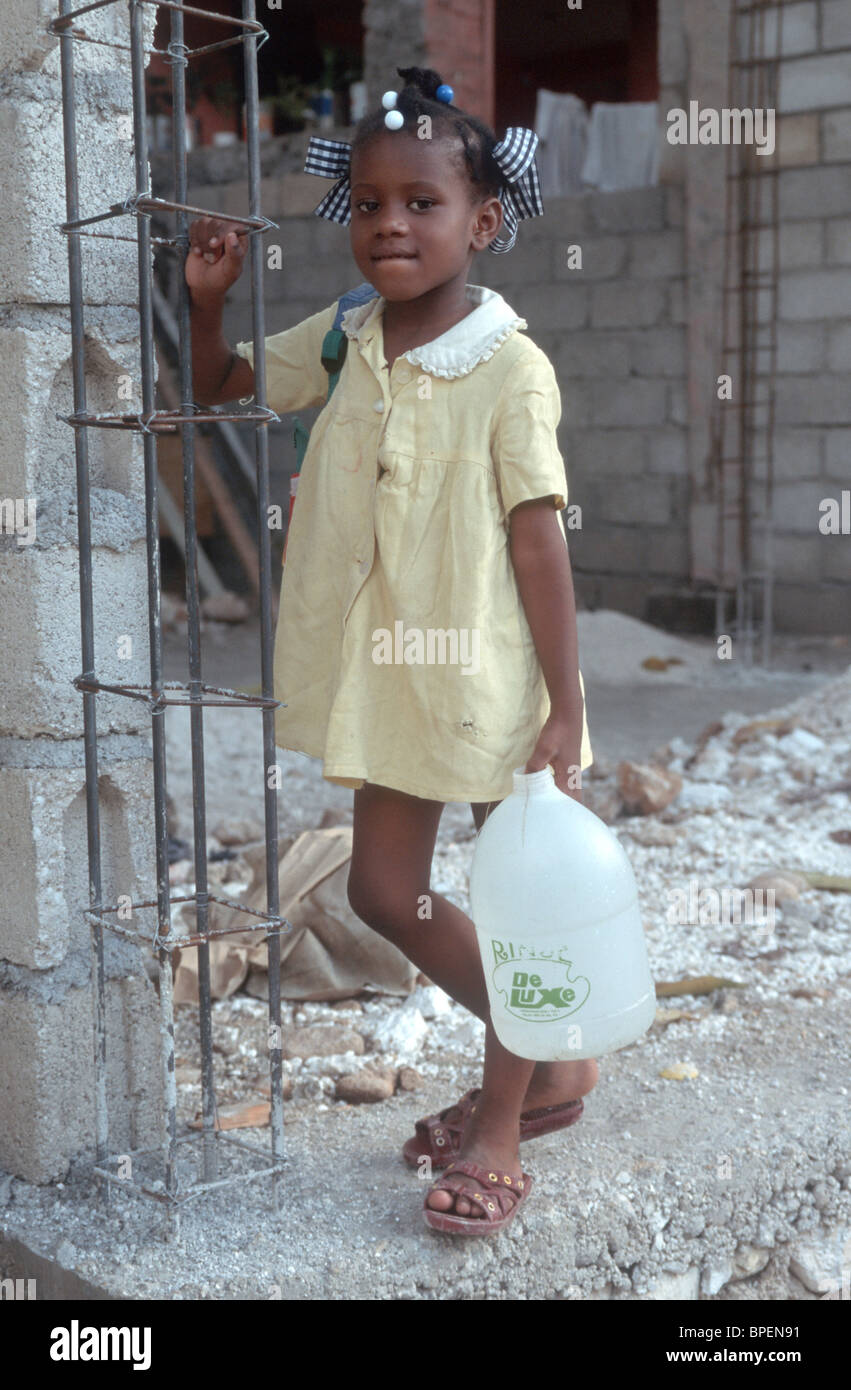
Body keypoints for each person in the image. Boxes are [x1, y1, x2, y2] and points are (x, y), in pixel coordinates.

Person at [187, 66, 598, 1236]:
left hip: (492, 683)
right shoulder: (342, 342)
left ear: (482, 222)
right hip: (393, 683)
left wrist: (561, 707)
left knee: (514, 903)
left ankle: (504, 1125)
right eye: (367, 202)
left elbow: (537, 543)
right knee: (381, 889)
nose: (389, 224)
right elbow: (220, 385)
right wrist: (209, 303)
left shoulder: (509, 366)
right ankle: (552, 1055)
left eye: (420, 202)